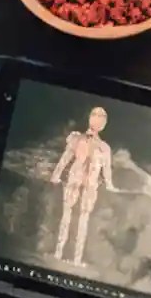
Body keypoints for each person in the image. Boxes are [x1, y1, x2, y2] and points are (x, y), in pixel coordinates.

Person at [49, 107, 120, 266]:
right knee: (66, 215)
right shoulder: (77, 139)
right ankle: (58, 253)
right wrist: (56, 174)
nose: (98, 119)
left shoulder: (104, 148)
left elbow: (107, 170)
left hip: (90, 185)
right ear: (89, 117)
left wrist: (110, 184)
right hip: (75, 179)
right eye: (95, 115)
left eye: (102, 117)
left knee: (83, 219)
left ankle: (76, 258)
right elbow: (65, 158)